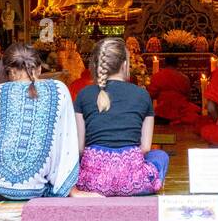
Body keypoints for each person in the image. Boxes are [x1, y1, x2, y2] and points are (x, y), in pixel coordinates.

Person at [0, 43, 80, 200]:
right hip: (33, 187)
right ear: (40, 69)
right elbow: (66, 142)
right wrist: (71, 188)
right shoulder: (60, 89)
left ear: (10, 72)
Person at [73, 37, 170, 195]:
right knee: (160, 155)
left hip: (92, 184)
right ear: (125, 64)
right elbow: (145, 148)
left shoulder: (84, 95)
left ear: (98, 65)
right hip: (133, 183)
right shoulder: (142, 95)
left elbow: (80, 148)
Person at [148, 53, 200, 124]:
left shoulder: (157, 77)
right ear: (177, 64)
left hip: (162, 113)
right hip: (181, 112)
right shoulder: (184, 78)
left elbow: (151, 95)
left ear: (164, 63)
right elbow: (188, 97)